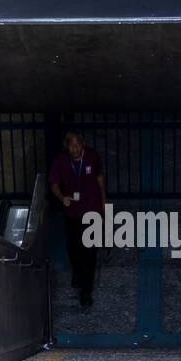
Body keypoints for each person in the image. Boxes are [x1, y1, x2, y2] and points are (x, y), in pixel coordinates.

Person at [48, 131, 106, 308]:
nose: (75, 149)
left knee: (89, 251)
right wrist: (62, 197)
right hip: (72, 212)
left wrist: (103, 201)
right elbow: (54, 184)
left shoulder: (92, 157)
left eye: (77, 145)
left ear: (83, 144)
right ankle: (77, 272)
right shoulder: (60, 161)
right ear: (67, 146)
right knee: (73, 247)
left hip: (91, 210)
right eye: (71, 145)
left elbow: (99, 178)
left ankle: (86, 292)